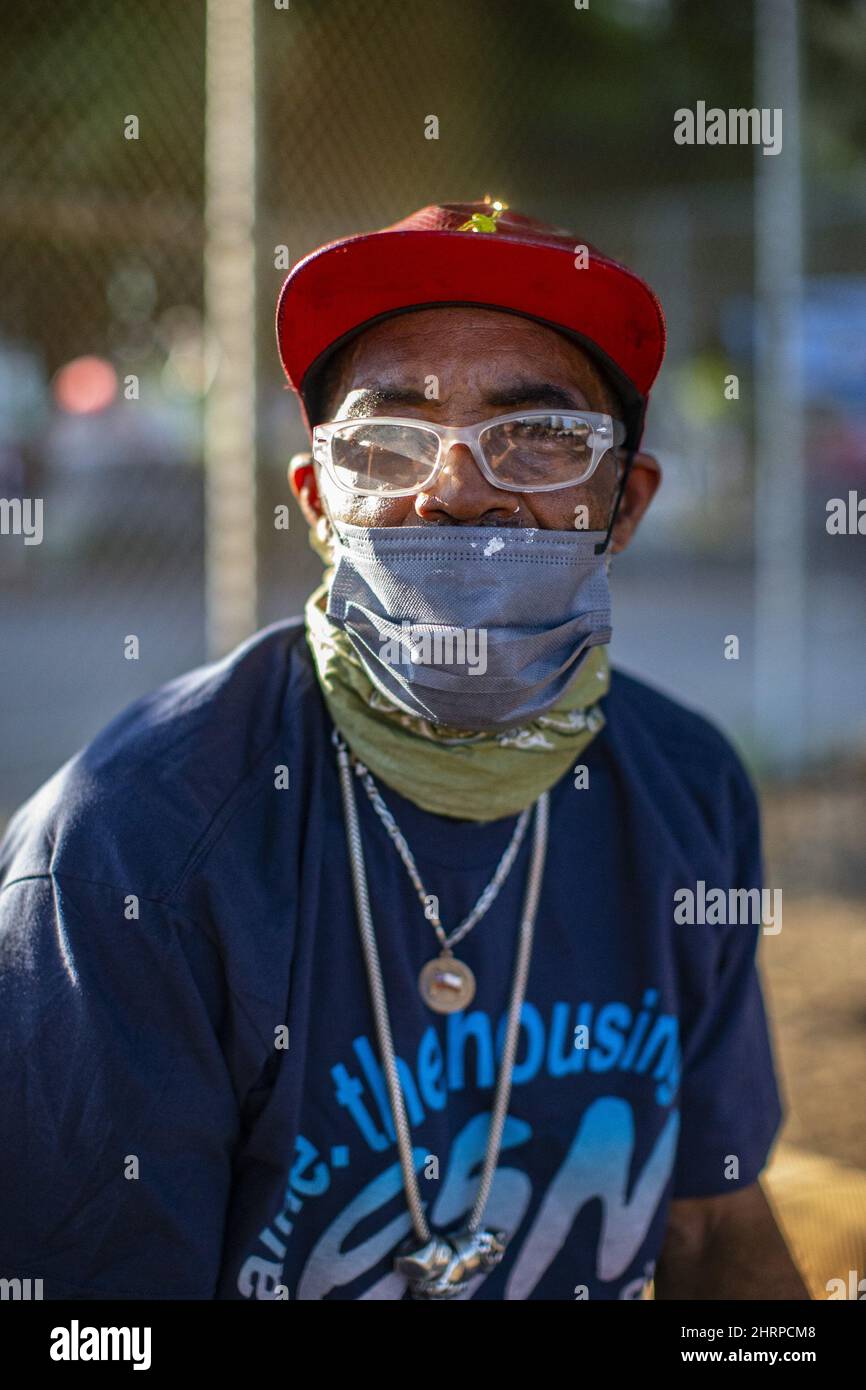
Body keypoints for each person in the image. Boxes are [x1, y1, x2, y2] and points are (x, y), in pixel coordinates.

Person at [0, 198, 809, 1300]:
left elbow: (712, 1234)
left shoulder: (688, 789)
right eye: (387, 440)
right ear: (318, 504)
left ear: (622, 506)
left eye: (539, 436)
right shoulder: (126, 853)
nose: (457, 487)